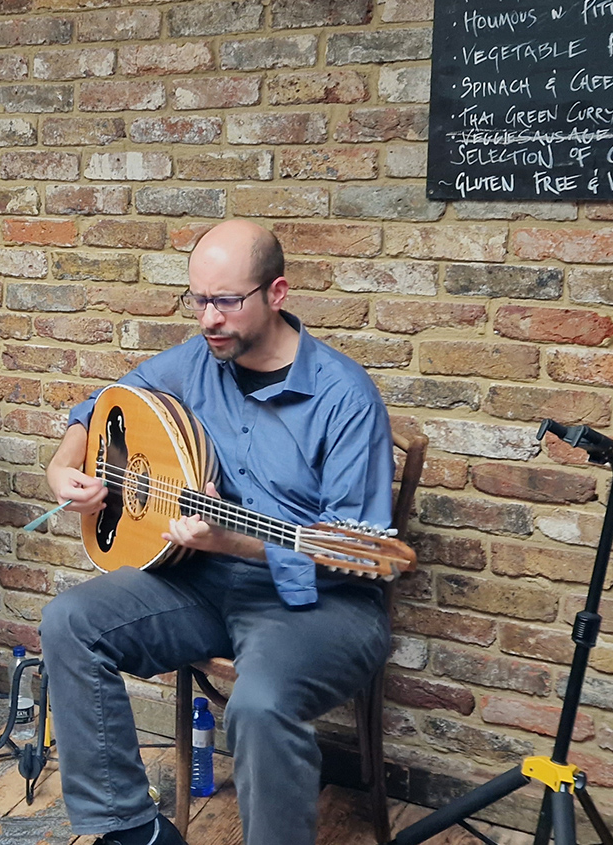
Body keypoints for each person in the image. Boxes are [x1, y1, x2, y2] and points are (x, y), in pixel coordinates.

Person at [40, 220, 395, 845]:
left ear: (276, 292)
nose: (208, 319)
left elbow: (348, 551)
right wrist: (64, 466)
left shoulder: (345, 397)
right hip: (201, 581)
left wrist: (229, 541)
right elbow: (99, 404)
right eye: (198, 300)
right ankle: (131, 830)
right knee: (71, 622)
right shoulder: (194, 362)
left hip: (319, 604)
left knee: (258, 706)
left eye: (226, 301)